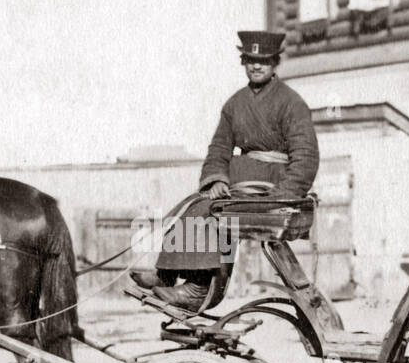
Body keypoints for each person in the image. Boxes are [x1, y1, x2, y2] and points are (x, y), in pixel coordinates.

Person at [131, 30, 319, 312]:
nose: (256, 66)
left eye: (264, 61)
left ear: (275, 63)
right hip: (238, 185)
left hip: (269, 188)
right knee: (193, 204)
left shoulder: (291, 102)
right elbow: (219, 148)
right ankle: (166, 275)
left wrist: (281, 197)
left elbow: (306, 156)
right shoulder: (235, 104)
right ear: (244, 61)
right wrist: (217, 179)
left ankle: (198, 289)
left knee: (210, 213)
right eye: (250, 60)